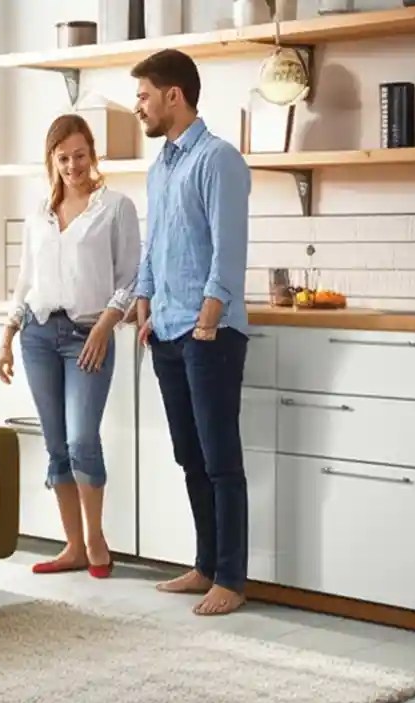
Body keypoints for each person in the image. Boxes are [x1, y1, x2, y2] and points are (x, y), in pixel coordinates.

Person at [130, 49, 252, 616]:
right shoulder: (160, 168)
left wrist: (208, 317)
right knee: (190, 455)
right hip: (168, 333)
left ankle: (232, 577)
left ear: (173, 95)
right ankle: (205, 566)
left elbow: (228, 251)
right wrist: (144, 304)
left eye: (144, 96)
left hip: (210, 335)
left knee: (221, 457)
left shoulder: (219, 159)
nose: (139, 107)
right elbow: (154, 247)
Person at [0, 114, 141, 579]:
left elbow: (131, 279)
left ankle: (96, 539)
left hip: (87, 336)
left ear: (92, 155)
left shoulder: (115, 207)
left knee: (82, 440)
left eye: (80, 155)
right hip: (38, 334)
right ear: (52, 161)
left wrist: (105, 326)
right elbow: (24, 280)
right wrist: (7, 335)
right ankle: (72, 545)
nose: (73, 165)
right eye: (64, 158)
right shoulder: (38, 214)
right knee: (57, 445)